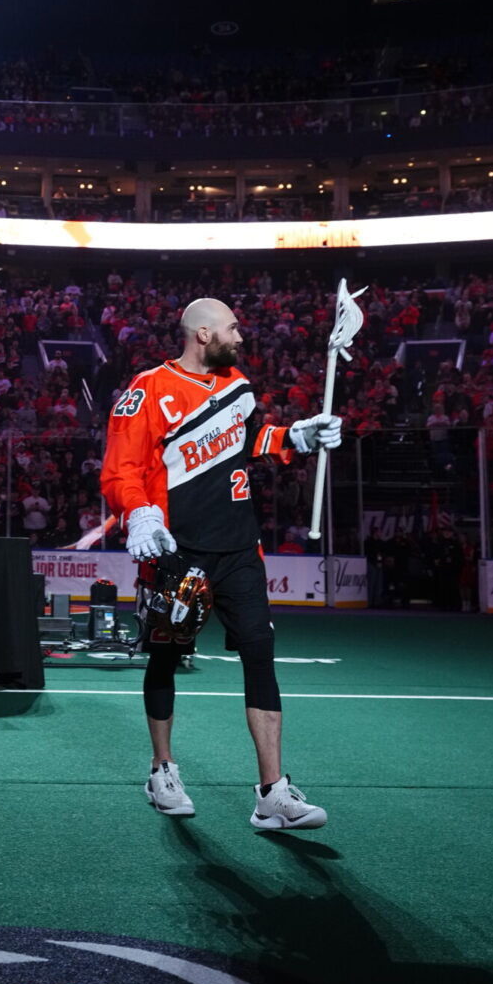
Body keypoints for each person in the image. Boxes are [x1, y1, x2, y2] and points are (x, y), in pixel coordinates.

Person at [101, 297, 341, 831]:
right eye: (232, 326)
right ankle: (162, 770)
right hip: (177, 551)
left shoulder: (237, 384)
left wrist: (296, 437)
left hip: (240, 550)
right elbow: (120, 470)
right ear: (203, 334)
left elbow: (250, 440)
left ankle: (272, 793)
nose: (241, 333)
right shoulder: (147, 389)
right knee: (165, 658)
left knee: (261, 655)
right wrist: (138, 514)